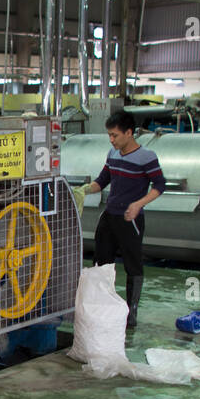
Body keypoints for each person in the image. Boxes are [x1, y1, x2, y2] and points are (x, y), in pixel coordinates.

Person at [79, 111, 165, 328]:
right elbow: (103, 180)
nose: (111, 139)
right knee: (101, 262)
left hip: (130, 220)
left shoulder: (147, 157)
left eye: (115, 135)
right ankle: (103, 307)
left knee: (133, 265)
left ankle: (131, 312)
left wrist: (138, 204)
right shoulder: (113, 154)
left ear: (129, 133)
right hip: (110, 217)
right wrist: (84, 190)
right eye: (109, 135)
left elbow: (159, 186)